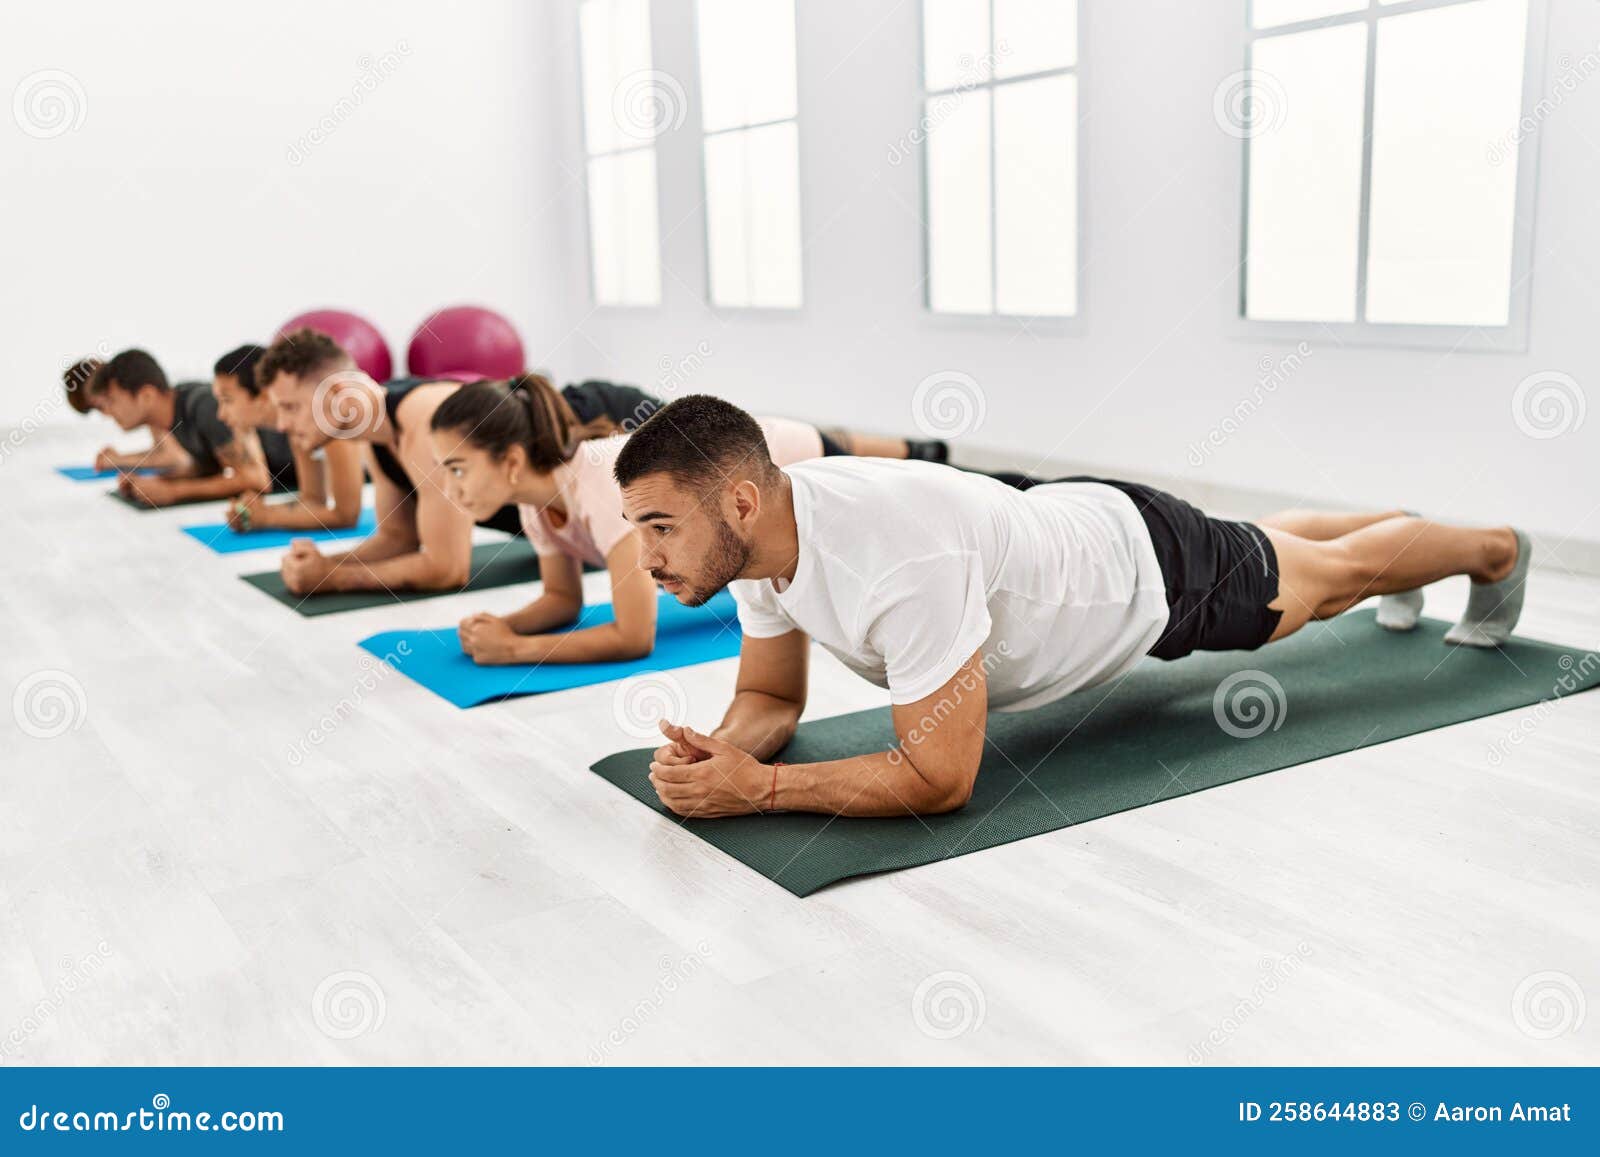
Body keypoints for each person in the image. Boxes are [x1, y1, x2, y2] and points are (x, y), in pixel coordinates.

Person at [610, 395, 1532, 820]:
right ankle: (1407, 535)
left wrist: (762, 790)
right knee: (1284, 548)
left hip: (1143, 573)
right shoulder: (761, 541)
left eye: (659, 527)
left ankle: (1488, 547)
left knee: (1319, 591)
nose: (645, 557)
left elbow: (940, 779)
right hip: (1077, 522)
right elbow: (773, 697)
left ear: (739, 500)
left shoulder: (896, 556)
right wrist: (728, 748)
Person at [428, 378, 932, 664]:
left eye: (458, 468)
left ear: (511, 461)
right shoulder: (534, 507)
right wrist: (497, 627)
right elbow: (563, 600)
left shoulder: (603, 485)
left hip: (789, 456)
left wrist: (517, 650)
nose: (450, 490)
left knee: (926, 496)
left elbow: (633, 637)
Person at [257, 329, 680, 596]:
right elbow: (397, 539)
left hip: (616, 424)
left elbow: (447, 568)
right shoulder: (378, 434)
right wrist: (324, 564)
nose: (280, 423)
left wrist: (330, 581)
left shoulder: (425, 422)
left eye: (290, 407)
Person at [86, 348, 297, 507]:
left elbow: (257, 480)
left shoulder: (204, 405)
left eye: (112, 401)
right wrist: (154, 482)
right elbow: (209, 466)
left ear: (146, 396)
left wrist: (174, 491)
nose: (108, 412)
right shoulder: (176, 412)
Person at [209, 345, 365, 533]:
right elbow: (312, 499)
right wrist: (256, 511)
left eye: (227, 400)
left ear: (263, 395)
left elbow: (347, 515)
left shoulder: (324, 417)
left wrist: (268, 516)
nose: (221, 414)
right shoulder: (294, 427)